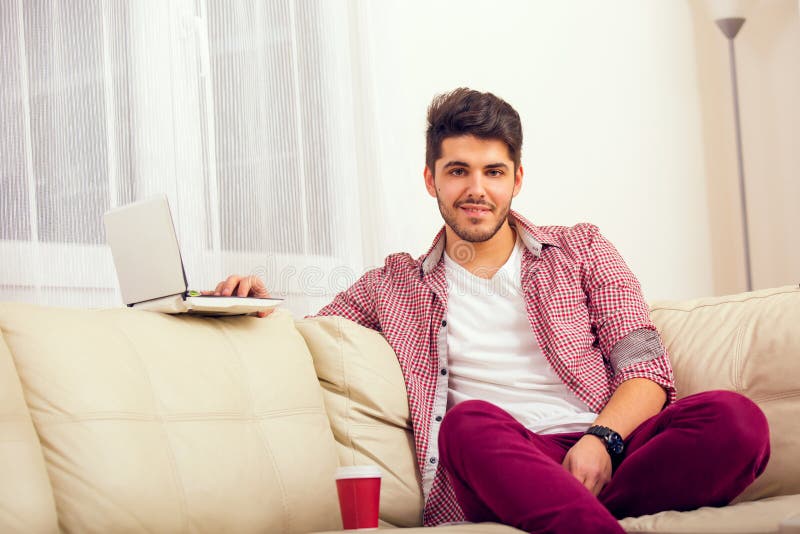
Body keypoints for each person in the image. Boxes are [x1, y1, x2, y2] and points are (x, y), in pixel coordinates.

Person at [209, 88, 770, 533]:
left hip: (608, 449)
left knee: (736, 421)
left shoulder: (582, 249)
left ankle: (566, 515)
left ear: (516, 180)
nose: (476, 189)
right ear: (431, 179)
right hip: (500, 462)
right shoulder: (392, 282)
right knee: (467, 423)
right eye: (458, 171)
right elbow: (313, 338)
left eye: (493, 172)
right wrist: (257, 308)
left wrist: (602, 442)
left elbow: (645, 371)